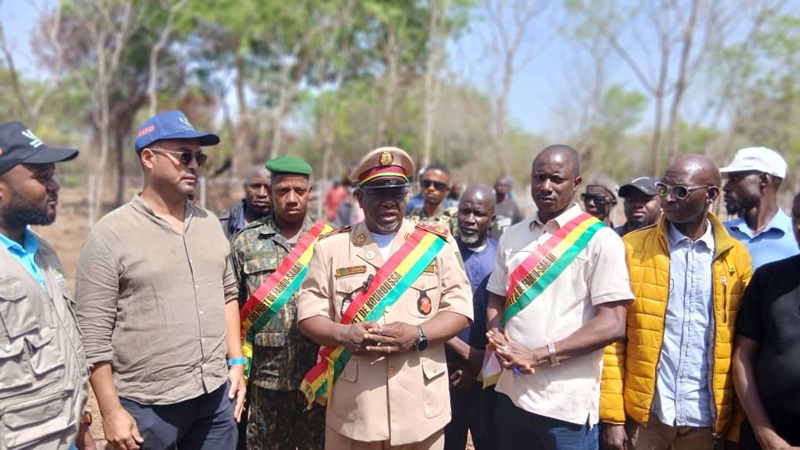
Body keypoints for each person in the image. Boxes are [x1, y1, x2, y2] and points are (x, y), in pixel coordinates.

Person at [76, 110, 246, 450]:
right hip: (147, 408)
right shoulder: (110, 234)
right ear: (149, 158)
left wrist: (237, 362)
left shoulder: (210, 224)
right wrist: (110, 411)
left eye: (199, 157)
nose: (194, 165)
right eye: (184, 156)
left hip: (214, 399)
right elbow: (92, 336)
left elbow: (227, 295)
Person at [297, 147, 473, 450]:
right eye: (378, 193)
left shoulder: (435, 244)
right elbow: (307, 314)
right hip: (355, 409)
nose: (389, 201)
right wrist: (342, 334)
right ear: (359, 197)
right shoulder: (331, 247)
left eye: (397, 192)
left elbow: (460, 308)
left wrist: (419, 334)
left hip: (421, 407)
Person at [484, 144, 633, 450]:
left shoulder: (601, 241)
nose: (546, 186)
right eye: (539, 177)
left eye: (556, 179)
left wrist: (538, 355)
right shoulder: (513, 236)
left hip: (566, 407)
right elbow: (496, 298)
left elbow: (613, 323)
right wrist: (498, 338)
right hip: (512, 395)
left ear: (576, 184)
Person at [600, 154, 753, 450]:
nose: (668, 198)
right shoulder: (631, 249)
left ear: (710, 195)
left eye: (680, 191)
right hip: (647, 419)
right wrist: (613, 418)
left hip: (706, 422)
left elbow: (740, 347)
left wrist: (733, 425)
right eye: (663, 189)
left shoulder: (736, 257)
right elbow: (613, 339)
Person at [0, 121, 93, 450]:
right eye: (41, 177)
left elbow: (64, 356)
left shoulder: (43, 251)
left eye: (53, 175)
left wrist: (84, 435)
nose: (54, 186)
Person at [230, 156, 326, 450]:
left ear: (310, 193)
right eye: (283, 191)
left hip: (318, 378)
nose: (292, 199)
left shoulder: (330, 239)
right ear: (271, 193)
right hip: (265, 381)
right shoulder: (245, 242)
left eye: (299, 190)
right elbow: (232, 305)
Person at [733, 192, 800, 449]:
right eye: (796, 216)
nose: (798, 226)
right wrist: (765, 434)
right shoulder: (768, 279)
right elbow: (742, 359)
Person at [444, 184, 498, 450]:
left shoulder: (503, 256)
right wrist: (466, 355)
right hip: (446, 370)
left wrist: (478, 364)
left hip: (490, 372)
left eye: (477, 214)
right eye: (464, 212)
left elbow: (508, 316)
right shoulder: (441, 252)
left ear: (492, 220)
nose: (469, 220)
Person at [720, 147, 798, 270]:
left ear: (764, 180)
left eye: (735, 179)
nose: (726, 187)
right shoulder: (721, 233)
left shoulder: (795, 236)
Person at [220, 164, 272, 240]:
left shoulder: (286, 225)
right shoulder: (224, 225)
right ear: (245, 188)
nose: (262, 193)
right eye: (256, 186)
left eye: (268, 187)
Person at [408, 163, 459, 234]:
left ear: (447, 190)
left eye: (438, 185)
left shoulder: (455, 222)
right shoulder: (410, 220)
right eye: (427, 184)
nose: (431, 188)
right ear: (421, 186)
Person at [489, 175, 523, 240]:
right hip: (493, 244)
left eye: (505, 186)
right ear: (494, 186)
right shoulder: (490, 205)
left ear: (509, 188)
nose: (502, 188)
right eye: (500, 185)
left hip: (508, 244)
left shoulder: (513, 206)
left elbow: (518, 226)